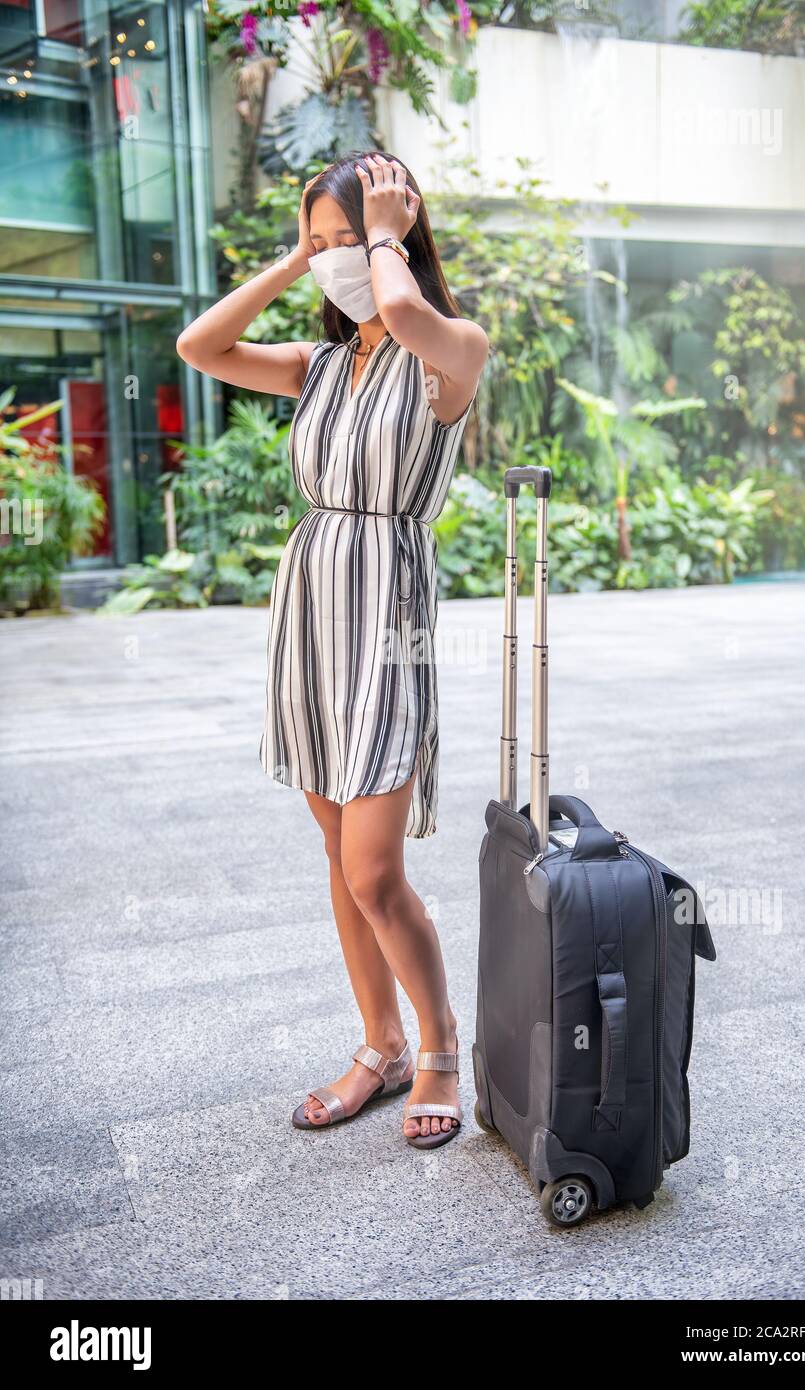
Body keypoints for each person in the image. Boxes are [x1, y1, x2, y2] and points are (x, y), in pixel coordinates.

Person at [176, 151, 489, 1150]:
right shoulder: (316, 366)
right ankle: (379, 1041)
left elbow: (401, 316)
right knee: (334, 851)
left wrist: (387, 240)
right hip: (310, 607)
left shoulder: (450, 350)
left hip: (387, 608)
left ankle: (439, 1047)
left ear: (397, 232)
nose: (335, 261)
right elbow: (198, 344)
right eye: (322, 243)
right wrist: (294, 259)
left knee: (373, 868)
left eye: (345, 239)